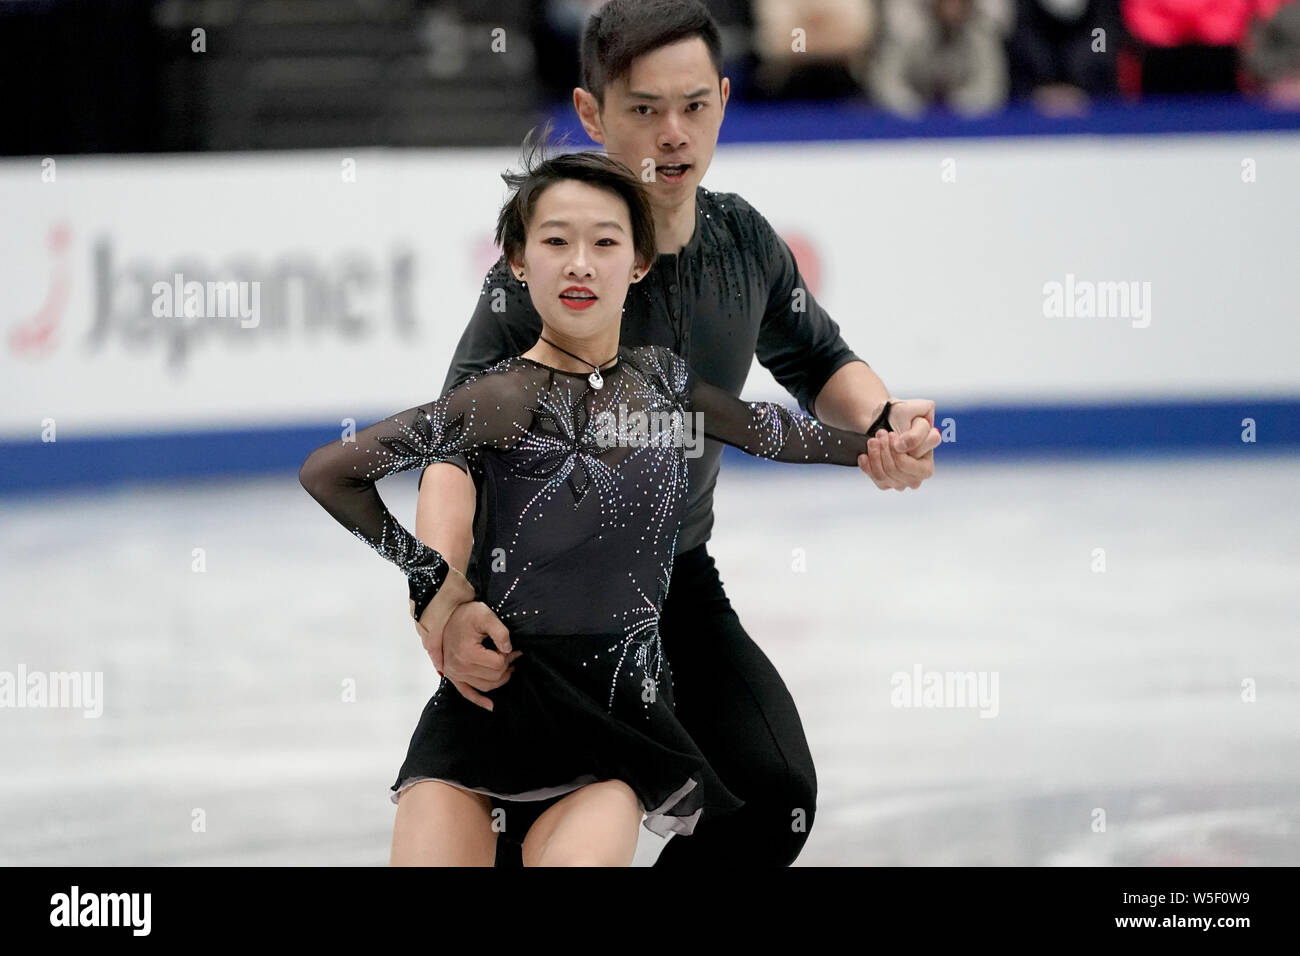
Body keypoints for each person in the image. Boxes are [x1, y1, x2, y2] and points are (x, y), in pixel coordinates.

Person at [415, 0, 943, 868]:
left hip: (673, 582)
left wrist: (884, 425)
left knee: (774, 798)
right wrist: (444, 595)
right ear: (591, 113)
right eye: (644, 109)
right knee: (539, 827)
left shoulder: (741, 240)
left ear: (725, 103)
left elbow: (820, 361)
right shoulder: (559, 264)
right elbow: (453, 450)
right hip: (539, 607)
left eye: (694, 106)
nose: (673, 134)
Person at [299, 143, 906, 865]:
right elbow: (332, 472)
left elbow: (769, 430)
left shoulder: (667, 391)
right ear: (518, 265)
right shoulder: (498, 399)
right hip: (487, 716)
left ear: (639, 264)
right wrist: (437, 582)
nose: (580, 262)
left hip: (614, 731)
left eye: (605, 243)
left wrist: (879, 439)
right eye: (555, 242)